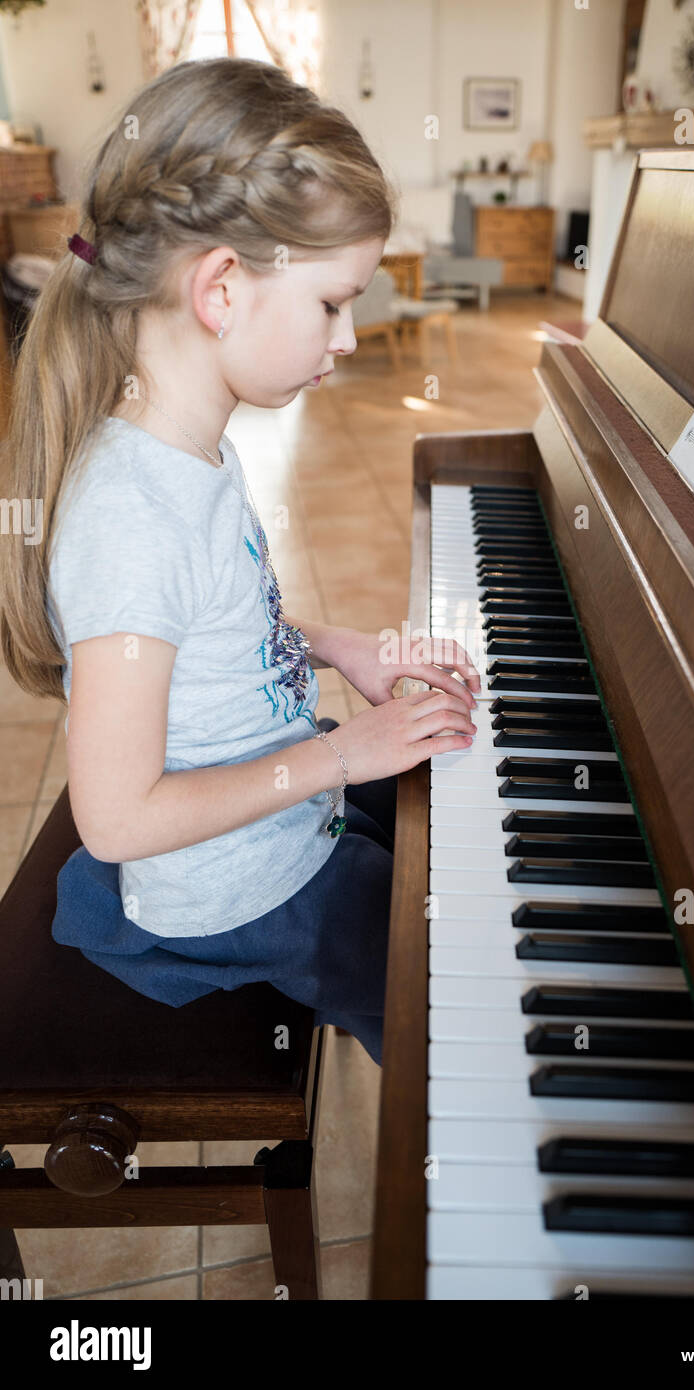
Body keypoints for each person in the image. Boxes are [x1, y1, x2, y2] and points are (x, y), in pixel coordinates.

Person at [0, 57, 480, 1068]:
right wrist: (344, 754)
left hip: (275, 820)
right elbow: (120, 818)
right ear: (220, 287)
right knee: (453, 999)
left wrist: (332, 644)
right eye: (332, 303)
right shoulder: (132, 516)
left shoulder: (189, 451)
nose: (346, 337)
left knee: (453, 819)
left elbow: (216, 625)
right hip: (233, 887)